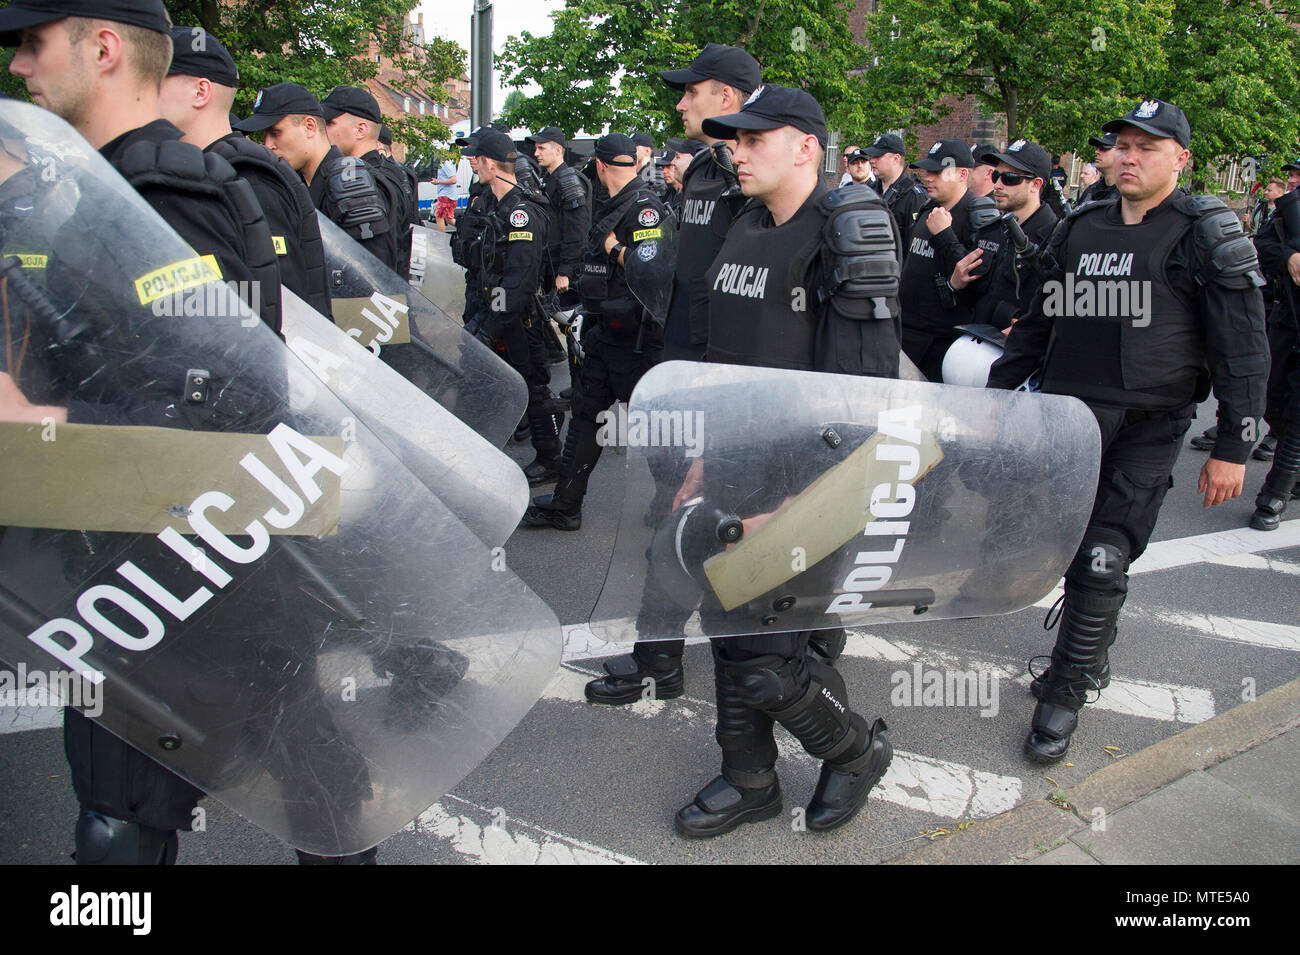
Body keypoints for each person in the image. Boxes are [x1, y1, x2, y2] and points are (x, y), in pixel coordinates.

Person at [0, 0, 314, 863]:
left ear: (102, 49)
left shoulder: (163, 198)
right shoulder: (107, 190)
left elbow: (232, 404)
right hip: (134, 546)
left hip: (163, 560)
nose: (21, 68)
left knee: (120, 819)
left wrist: (43, 419)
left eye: (33, 44)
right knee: (300, 749)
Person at [986, 99, 1268, 763]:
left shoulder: (1205, 231)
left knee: (1103, 556)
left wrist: (1234, 446)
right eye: (1122, 144)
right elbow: (1039, 320)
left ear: (1181, 158)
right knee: (1061, 547)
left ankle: (1068, 683)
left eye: (1149, 146)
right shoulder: (1082, 225)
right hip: (1066, 419)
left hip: (1149, 422)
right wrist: (995, 402)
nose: (1130, 156)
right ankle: (1092, 641)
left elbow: (1243, 347)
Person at [667, 85, 899, 837]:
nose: (736, 152)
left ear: (806, 145)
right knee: (728, 628)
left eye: (754, 139)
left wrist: (799, 506)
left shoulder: (845, 229)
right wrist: (703, 455)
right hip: (737, 465)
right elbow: (720, 359)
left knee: (769, 657)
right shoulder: (745, 226)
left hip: (811, 484)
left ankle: (854, 750)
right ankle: (749, 778)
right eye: (732, 140)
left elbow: (857, 403)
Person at [518, 133, 669, 529]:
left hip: (636, 341)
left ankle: (675, 504)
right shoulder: (610, 205)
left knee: (653, 426)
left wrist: (614, 249)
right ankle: (567, 505)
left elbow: (654, 273)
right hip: (603, 333)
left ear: (600, 166)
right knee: (586, 417)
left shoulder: (644, 208)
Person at [159, 26, 332, 319]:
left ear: (200, 91)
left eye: (156, 81)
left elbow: (282, 303)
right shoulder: (217, 168)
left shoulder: (245, 176)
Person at [657, 42, 762, 363]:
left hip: (724, 354)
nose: (680, 105)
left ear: (726, 97)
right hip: (678, 341)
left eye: (691, 92)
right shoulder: (699, 170)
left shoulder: (759, 177)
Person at [470, 129, 562, 484]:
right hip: (497, 311)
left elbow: (519, 281)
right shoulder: (495, 204)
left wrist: (491, 324)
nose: (473, 166)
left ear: (490, 163)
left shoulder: (521, 211)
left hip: (518, 318)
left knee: (532, 386)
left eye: (476, 160)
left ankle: (550, 457)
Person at [240, 83, 397, 274]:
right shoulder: (295, 181)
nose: (268, 145)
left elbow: (374, 276)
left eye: (275, 133)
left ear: (309, 126)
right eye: (265, 135)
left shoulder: (350, 184)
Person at [898, 138, 994, 380]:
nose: (928, 177)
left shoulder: (977, 216)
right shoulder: (928, 209)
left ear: (962, 174)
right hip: (906, 333)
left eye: (938, 172)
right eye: (927, 171)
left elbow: (974, 281)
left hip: (939, 344)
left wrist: (944, 235)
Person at [949, 139, 1058, 336]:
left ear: (1035, 184)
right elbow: (975, 299)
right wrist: (957, 284)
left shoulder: (1057, 239)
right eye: (997, 175)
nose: (997, 184)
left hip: (1021, 355)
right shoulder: (990, 232)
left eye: (1009, 178)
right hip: (976, 344)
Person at [1246, 161, 1300, 528]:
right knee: (1271, 394)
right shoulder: (1288, 213)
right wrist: (1289, 256)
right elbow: (1262, 246)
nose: (1293, 180)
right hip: (1286, 318)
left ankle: (1275, 493)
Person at [321, 86, 413, 273]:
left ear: (360, 130)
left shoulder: (358, 181)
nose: (322, 131)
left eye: (330, 123)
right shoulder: (393, 172)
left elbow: (369, 265)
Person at [865, 132, 928, 253]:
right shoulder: (869, 190)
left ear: (896, 159)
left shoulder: (914, 196)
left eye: (878, 156)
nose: (872, 160)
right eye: (871, 156)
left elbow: (914, 247)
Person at [432, 153, 457, 232]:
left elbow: (453, 180)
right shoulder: (449, 162)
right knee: (449, 219)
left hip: (445, 195)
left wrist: (438, 182)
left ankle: (441, 238)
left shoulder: (445, 163)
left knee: (439, 216)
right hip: (450, 195)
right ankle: (465, 229)